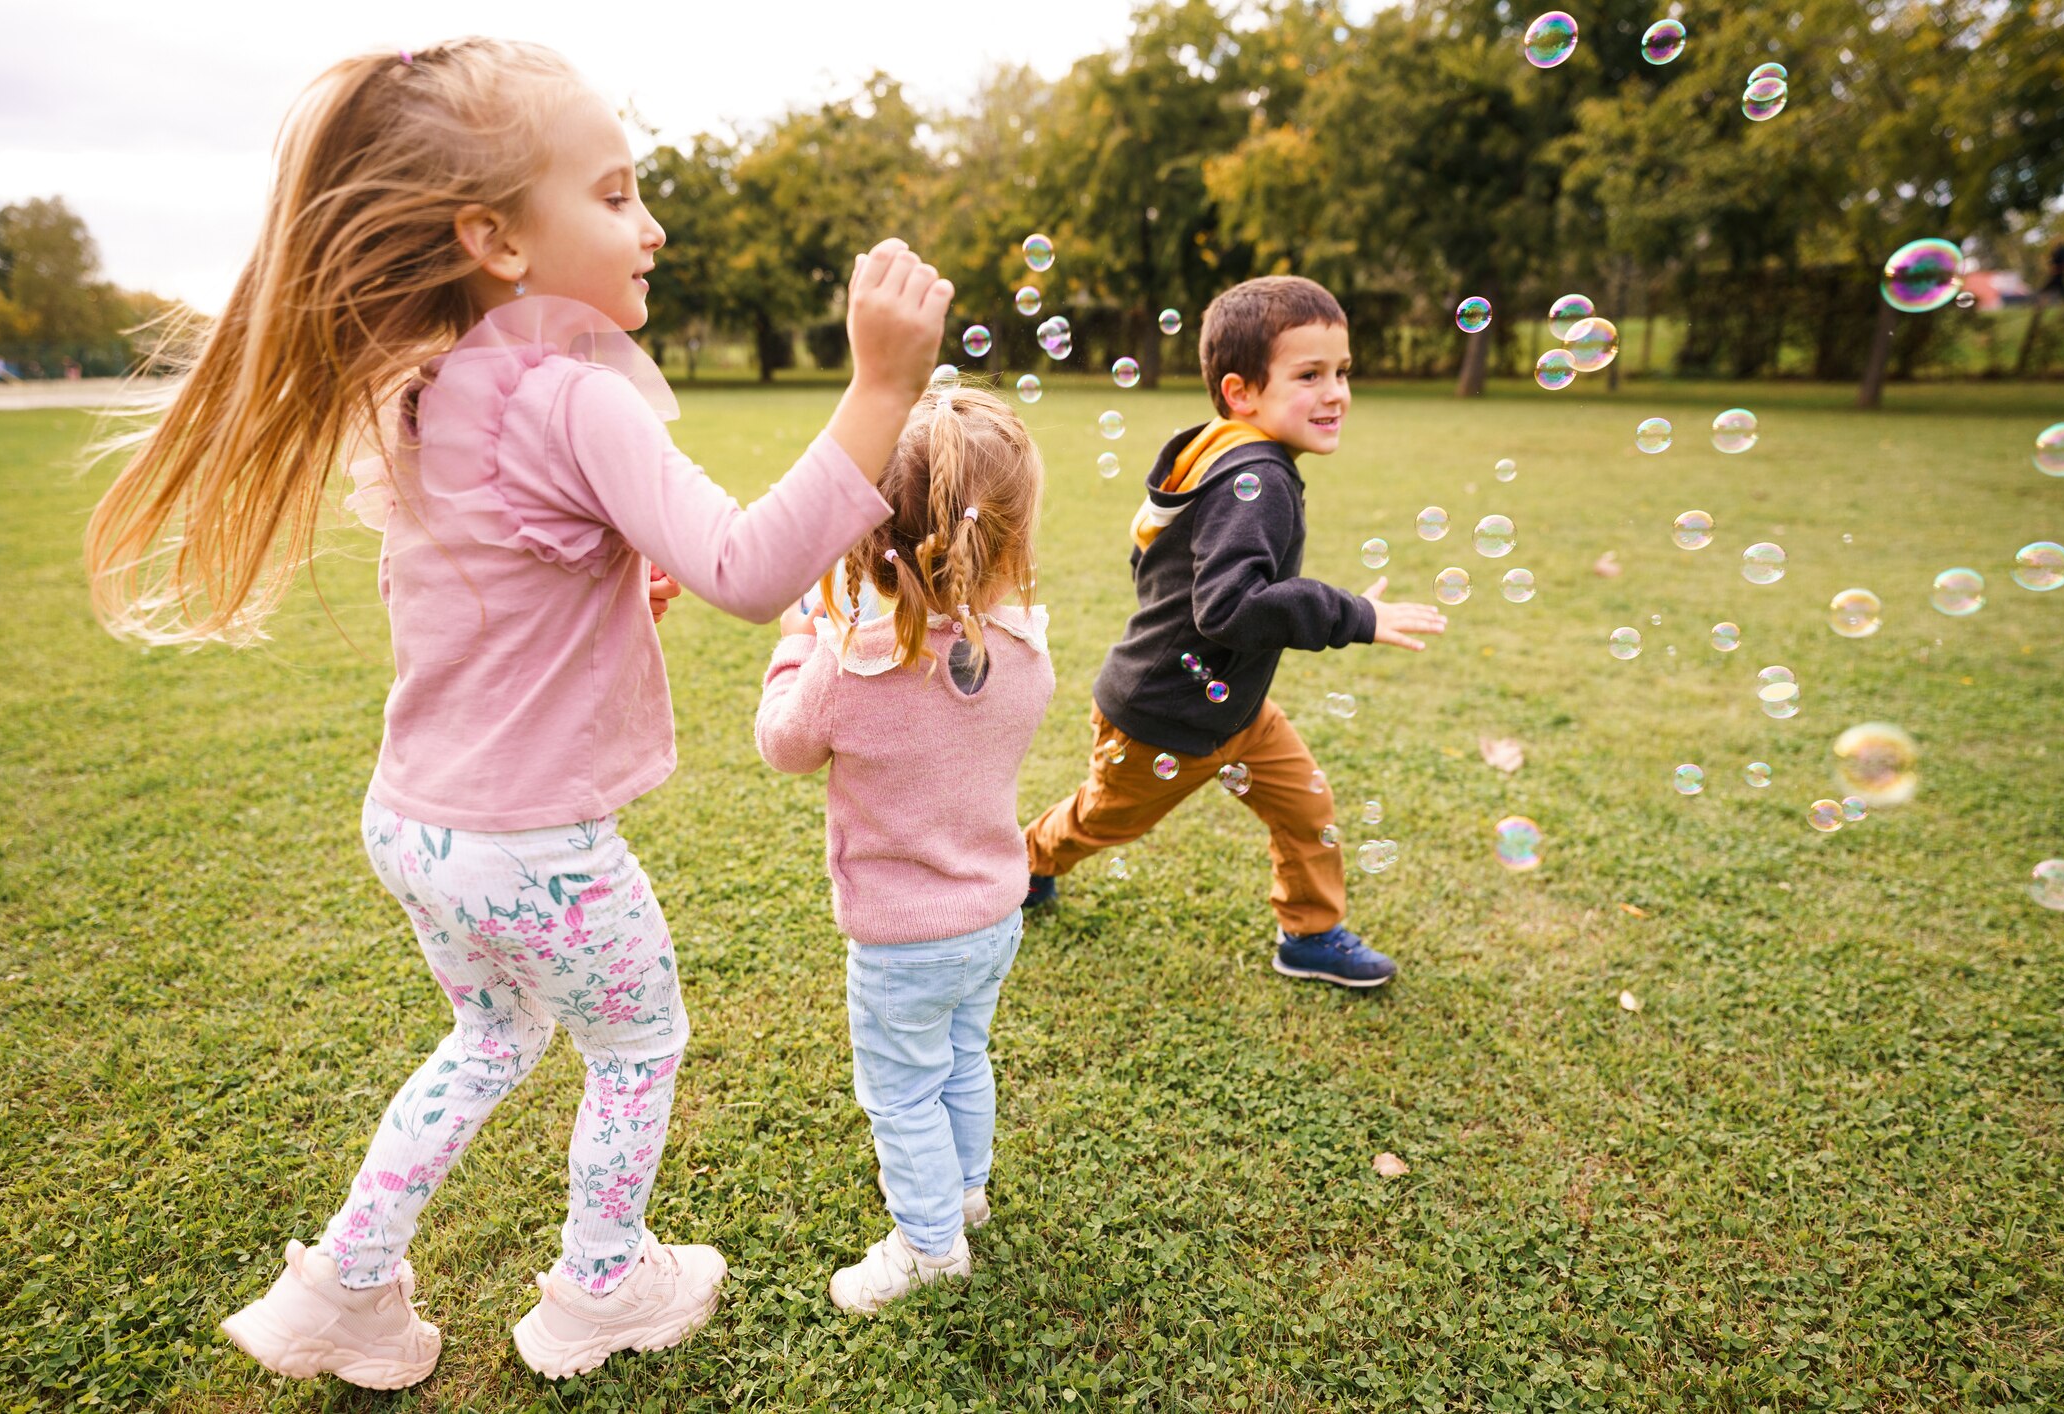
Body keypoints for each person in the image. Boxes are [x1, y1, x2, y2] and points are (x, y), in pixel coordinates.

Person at [82, 37, 952, 1386]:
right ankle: (603, 1283)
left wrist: (613, 588)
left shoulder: (428, 392)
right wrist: (880, 388)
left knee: (490, 1035)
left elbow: (507, 577)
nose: (649, 223)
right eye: (612, 195)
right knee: (639, 1037)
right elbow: (747, 568)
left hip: (418, 823)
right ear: (493, 235)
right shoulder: (572, 394)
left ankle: (343, 1291)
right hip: (534, 842)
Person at [1020, 276, 1447, 988]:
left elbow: (1153, 555)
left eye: (1342, 372)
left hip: (1236, 705)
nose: (1335, 392)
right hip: (1167, 716)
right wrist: (1353, 615)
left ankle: (1310, 933)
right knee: (1102, 820)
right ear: (1241, 392)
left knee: (1307, 806)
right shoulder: (1259, 478)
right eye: (1309, 375)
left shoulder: (1215, 452)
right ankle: (1025, 864)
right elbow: (1228, 607)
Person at [754, 384, 1054, 1313]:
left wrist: (801, 641)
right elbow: (950, 681)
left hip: (900, 941)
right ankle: (964, 1189)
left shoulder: (851, 665)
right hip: (992, 915)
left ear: (866, 537)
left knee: (901, 1093)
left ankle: (929, 1246)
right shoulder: (1023, 650)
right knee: (965, 1056)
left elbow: (783, 746)